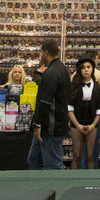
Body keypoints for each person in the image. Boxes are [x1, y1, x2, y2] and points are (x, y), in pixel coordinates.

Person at [28, 38, 70, 170]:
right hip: (52, 124)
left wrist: (38, 124)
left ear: (46, 53)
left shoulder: (51, 72)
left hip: (50, 126)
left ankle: (58, 189)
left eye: (41, 52)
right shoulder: (62, 69)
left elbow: (45, 102)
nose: (40, 56)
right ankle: (38, 187)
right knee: (34, 159)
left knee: (53, 165)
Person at [68, 56, 100, 170]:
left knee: (90, 156)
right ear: (79, 70)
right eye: (83, 68)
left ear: (93, 69)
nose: (86, 70)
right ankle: (74, 181)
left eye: (88, 67)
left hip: (92, 122)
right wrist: (77, 125)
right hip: (76, 122)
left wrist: (93, 125)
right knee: (76, 155)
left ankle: (90, 182)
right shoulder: (74, 85)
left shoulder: (97, 87)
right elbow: (69, 108)